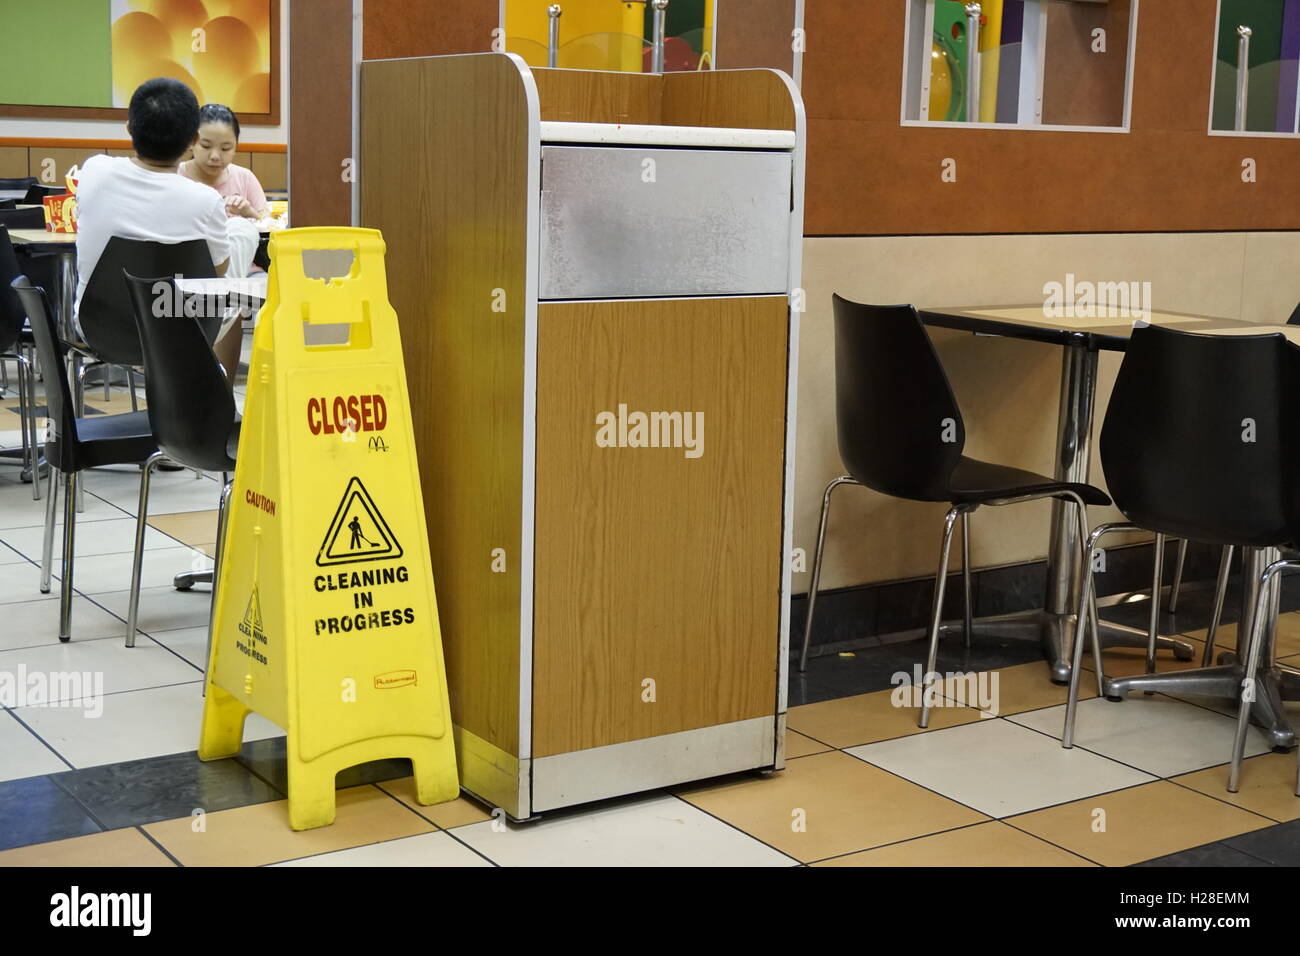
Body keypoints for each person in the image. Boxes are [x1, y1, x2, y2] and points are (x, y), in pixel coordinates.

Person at [74, 79, 241, 390]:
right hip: (186, 332)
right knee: (240, 298)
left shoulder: (94, 171)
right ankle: (214, 402)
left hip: (100, 328)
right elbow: (216, 272)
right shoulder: (205, 201)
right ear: (193, 140)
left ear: (129, 128)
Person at [179, 104, 269, 220]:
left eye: (225, 148)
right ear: (191, 142)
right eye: (206, 146)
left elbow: (268, 227)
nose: (215, 156)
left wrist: (248, 212)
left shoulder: (245, 178)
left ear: (236, 147)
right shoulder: (174, 176)